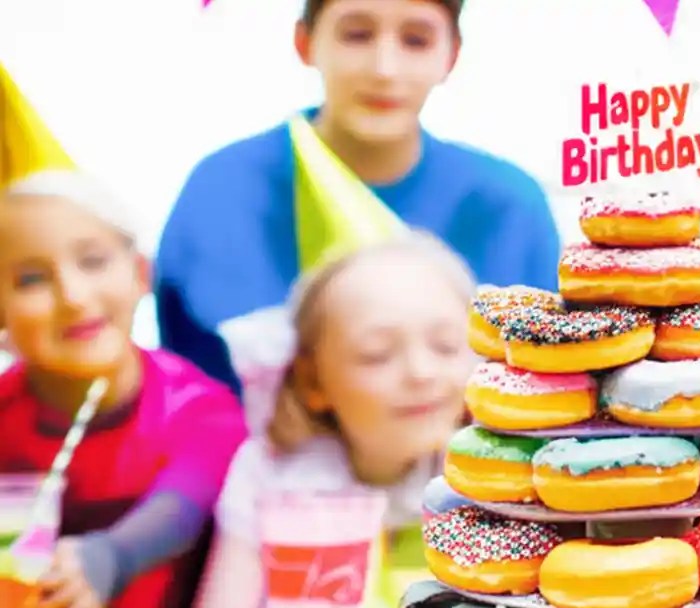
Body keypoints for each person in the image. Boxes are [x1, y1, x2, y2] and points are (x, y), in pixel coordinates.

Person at [155, 0, 560, 392]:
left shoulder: (511, 207)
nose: (385, 70)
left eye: (416, 40)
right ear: (305, 42)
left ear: (451, 56)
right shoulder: (220, 194)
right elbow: (183, 394)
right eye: (357, 35)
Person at [0, 172, 246, 608]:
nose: (73, 296)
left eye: (93, 261)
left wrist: (105, 559)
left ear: (140, 274)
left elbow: (178, 513)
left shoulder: (201, 411)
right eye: (31, 278)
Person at [193, 236, 474, 608]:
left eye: (445, 347)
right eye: (377, 354)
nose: (421, 372)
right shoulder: (268, 475)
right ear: (313, 380)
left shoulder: (489, 478)